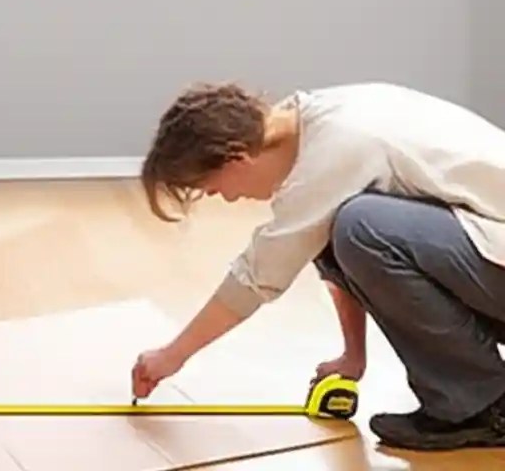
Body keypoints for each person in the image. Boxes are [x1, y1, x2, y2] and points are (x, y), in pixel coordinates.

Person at [131, 81, 505, 451]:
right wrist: (353, 356)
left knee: (362, 226)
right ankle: (473, 396)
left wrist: (171, 356)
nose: (226, 198)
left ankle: (483, 408)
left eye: (213, 188)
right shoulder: (313, 120)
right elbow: (332, 246)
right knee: (344, 227)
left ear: (236, 158)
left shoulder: (335, 150)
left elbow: (255, 279)